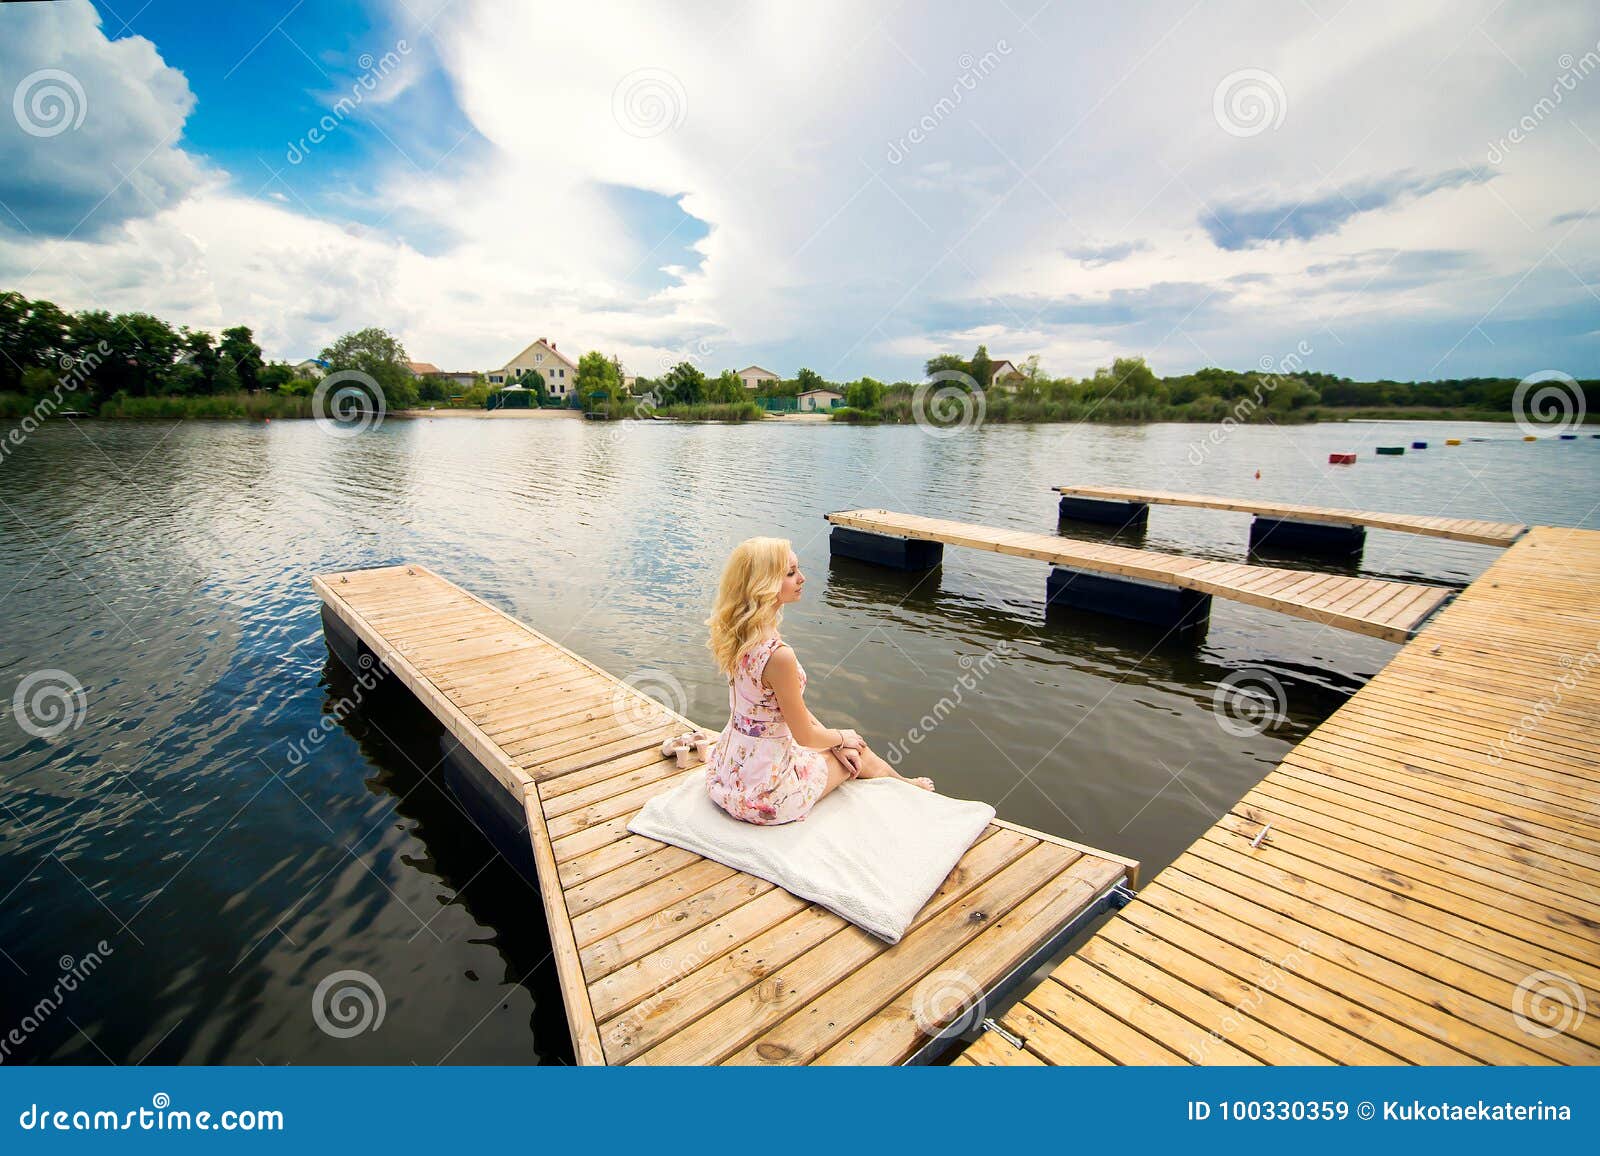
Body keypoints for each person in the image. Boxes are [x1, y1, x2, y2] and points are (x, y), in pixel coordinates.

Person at [702, 536, 934, 825]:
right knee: (855, 749)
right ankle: (903, 784)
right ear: (764, 583)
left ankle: (898, 779)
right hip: (765, 797)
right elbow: (805, 737)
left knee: (841, 743)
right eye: (790, 573)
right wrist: (842, 738)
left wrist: (835, 738)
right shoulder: (778, 656)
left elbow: (785, 709)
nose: (802, 578)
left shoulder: (737, 636)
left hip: (729, 775)